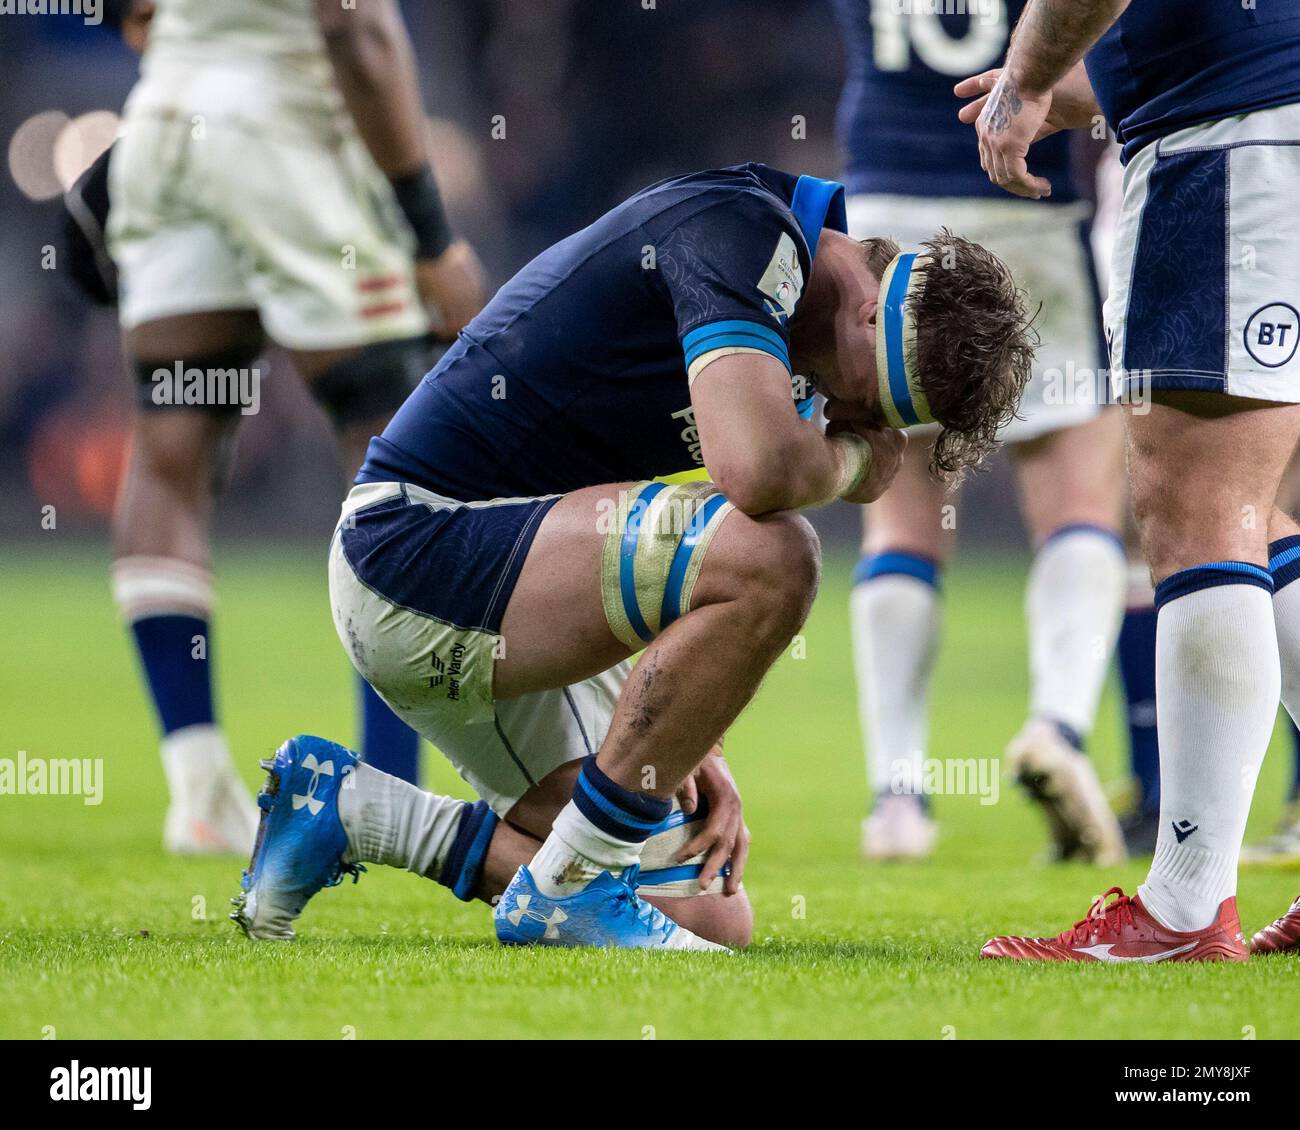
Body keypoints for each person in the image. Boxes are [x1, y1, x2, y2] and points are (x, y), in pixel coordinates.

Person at [231, 161, 1037, 950]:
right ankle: (570, 891)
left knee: (704, 907)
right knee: (779, 555)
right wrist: (857, 466)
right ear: (869, 318)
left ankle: (352, 810)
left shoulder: (780, 316)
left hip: (524, 576)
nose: (847, 409)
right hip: (417, 550)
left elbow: (668, 524)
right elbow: (753, 474)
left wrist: (690, 736)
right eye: (872, 400)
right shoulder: (748, 231)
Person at [97, 0, 486, 854]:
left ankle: (199, 791)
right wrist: (435, 239)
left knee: (171, 445)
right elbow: (357, 28)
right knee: (395, 447)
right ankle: (383, 791)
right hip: (285, 135)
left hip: (164, 123)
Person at [957, 0, 1300, 961]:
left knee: (1198, 504)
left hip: (1232, 136)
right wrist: (1087, 83)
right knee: (1249, 511)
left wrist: (1026, 76)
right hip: (1261, 120)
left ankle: (1184, 911)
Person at [831, 0, 1126, 865]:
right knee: (1078, 493)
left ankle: (897, 799)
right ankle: (1057, 727)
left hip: (885, 200)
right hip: (1024, 191)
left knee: (900, 514)